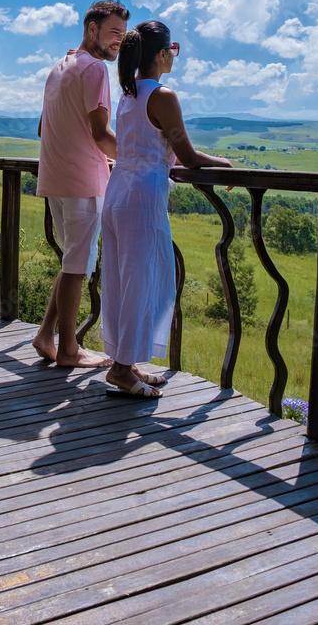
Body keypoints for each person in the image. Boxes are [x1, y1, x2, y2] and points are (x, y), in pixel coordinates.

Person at [101, 20, 232, 397]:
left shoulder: (128, 95)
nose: (174, 56)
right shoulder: (162, 96)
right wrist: (222, 164)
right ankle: (122, 371)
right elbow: (187, 156)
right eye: (172, 50)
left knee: (123, 279)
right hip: (142, 196)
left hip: (118, 191)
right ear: (161, 54)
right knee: (145, 281)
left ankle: (126, 361)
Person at [33, 0, 130, 367]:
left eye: (122, 34)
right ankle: (70, 350)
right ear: (92, 29)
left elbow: (44, 129)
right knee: (77, 268)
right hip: (83, 184)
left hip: (55, 180)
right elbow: (101, 132)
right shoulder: (94, 70)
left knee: (71, 261)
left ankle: (45, 336)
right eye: (113, 33)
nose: (118, 41)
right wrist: (137, 159)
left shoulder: (60, 67)